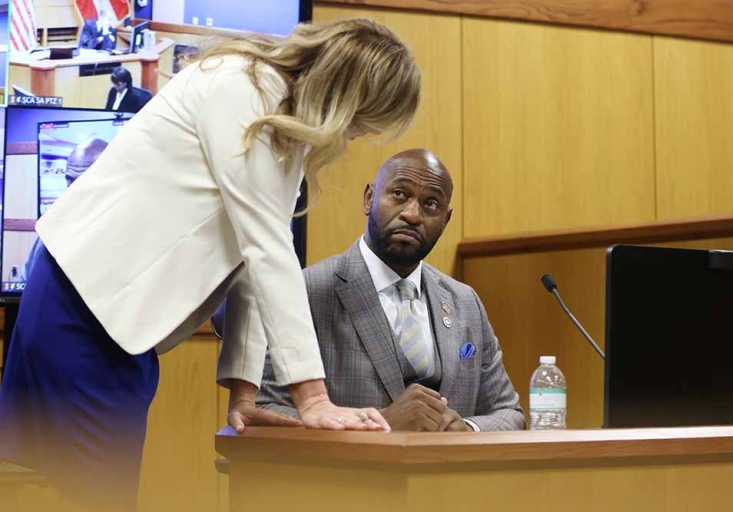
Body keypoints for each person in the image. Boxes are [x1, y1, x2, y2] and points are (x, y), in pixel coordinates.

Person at [0, 19, 421, 511]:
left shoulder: (279, 120)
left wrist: (245, 393)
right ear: (347, 95)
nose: (349, 139)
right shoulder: (243, 87)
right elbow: (268, 253)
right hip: (82, 309)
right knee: (87, 497)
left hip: (107, 318)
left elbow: (252, 262)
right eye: (360, 123)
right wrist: (312, 398)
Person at [253, 149, 526, 431]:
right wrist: (376, 424)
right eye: (399, 194)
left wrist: (466, 429)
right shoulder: (309, 291)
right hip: (353, 474)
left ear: (445, 220)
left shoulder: (464, 302)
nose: (411, 214)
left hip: (446, 473)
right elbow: (264, 410)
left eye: (431, 203)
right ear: (369, 198)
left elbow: (509, 413)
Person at [22, 137, 109, 281]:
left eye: (84, 181)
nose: (73, 191)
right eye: (70, 180)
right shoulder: (49, 231)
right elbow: (26, 282)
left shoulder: (128, 235)